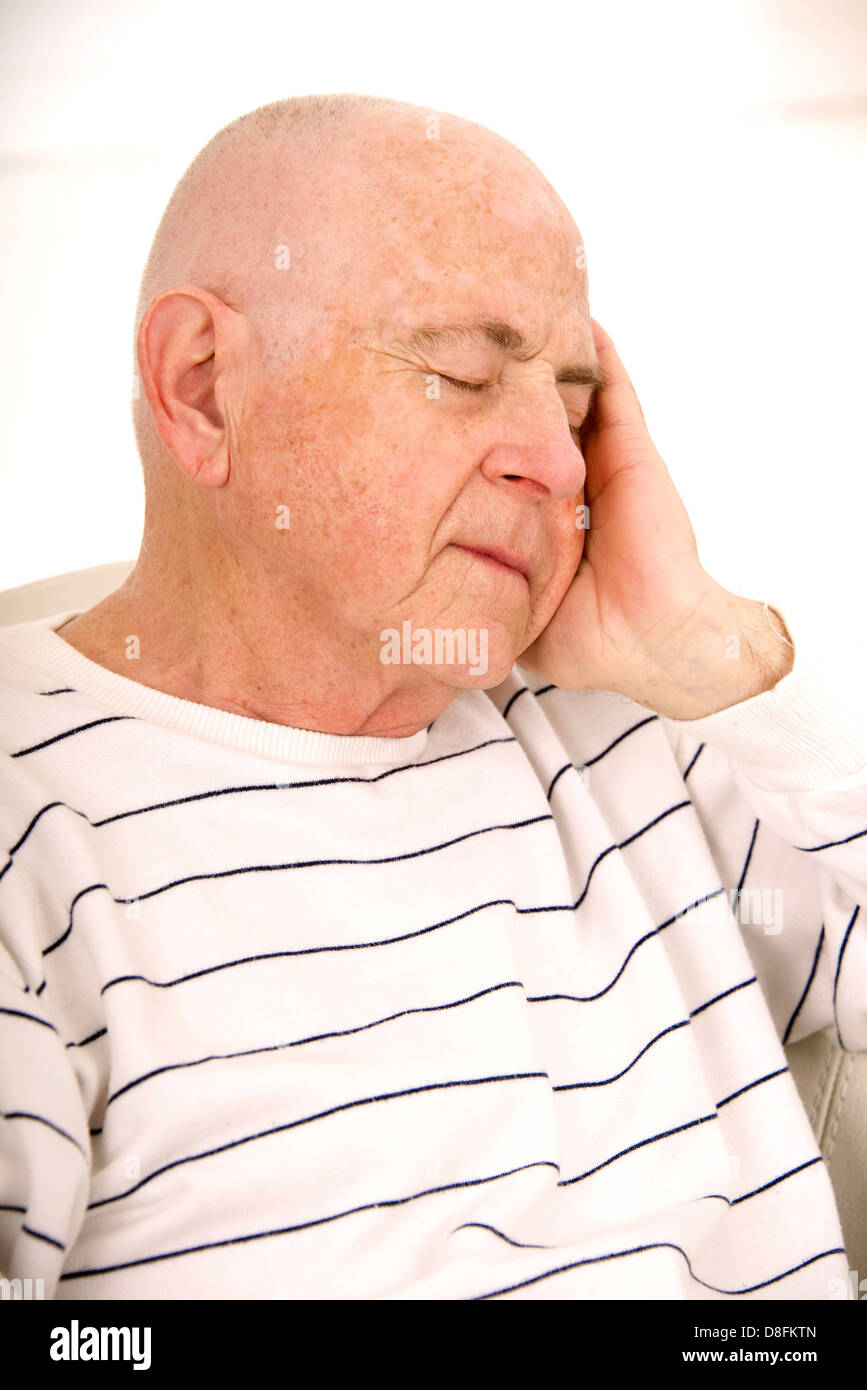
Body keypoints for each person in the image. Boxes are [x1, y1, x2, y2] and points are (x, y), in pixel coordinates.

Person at [0, 93, 863, 1301]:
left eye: (573, 407)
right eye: (461, 372)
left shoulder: (634, 740)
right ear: (201, 387)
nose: (561, 464)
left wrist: (712, 651)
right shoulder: (27, 819)